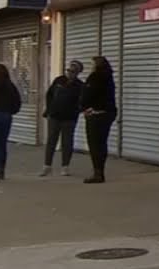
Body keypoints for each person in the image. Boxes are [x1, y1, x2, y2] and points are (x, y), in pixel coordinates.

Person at [40, 60, 84, 177]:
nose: (70, 73)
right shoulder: (59, 80)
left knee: (67, 142)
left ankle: (65, 166)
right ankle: (47, 166)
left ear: (78, 72)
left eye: (73, 71)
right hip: (54, 116)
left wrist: (76, 110)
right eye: (68, 70)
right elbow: (49, 94)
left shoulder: (79, 85)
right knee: (51, 141)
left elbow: (82, 101)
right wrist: (49, 109)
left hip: (69, 118)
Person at [80, 56, 118, 184]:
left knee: (95, 144)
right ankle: (100, 170)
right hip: (108, 113)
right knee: (102, 143)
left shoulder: (95, 77)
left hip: (96, 114)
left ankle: (98, 173)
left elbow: (87, 94)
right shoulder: (109, 77)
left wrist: (84, 108)